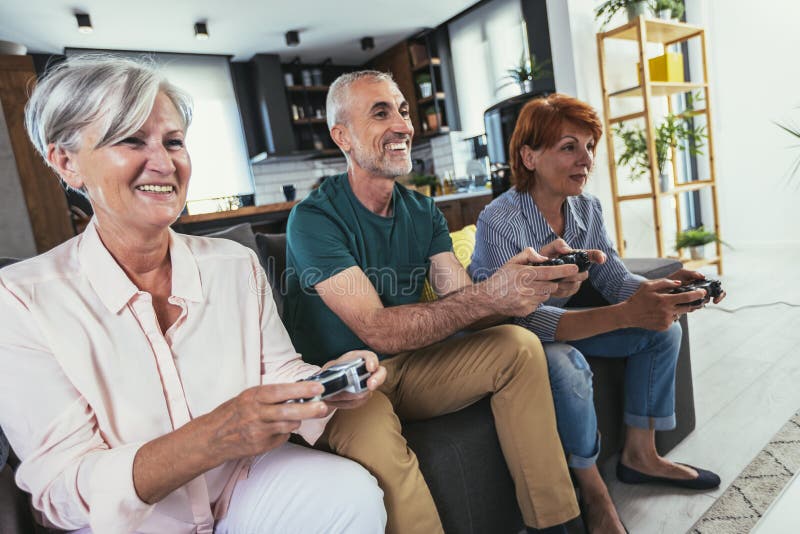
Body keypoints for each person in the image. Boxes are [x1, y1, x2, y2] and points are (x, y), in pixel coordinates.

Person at [0, 55, 388, 534]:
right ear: (66, 161)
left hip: (239, 485)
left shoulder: (234, 263)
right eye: (131, 140)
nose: (163, 162)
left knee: (349, 495)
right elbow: (63, 491)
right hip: (135, 523)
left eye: (174, 141)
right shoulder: (19, 299)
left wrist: (323, 383)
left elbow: (279, 371)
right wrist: (212, 437)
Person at [284, 70, 581, 534]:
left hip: (411, 369)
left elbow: (464, 302)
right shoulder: (313, 219)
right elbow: (377, 329)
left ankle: (555, 525)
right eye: (381, 112)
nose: (403, 125)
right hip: (346, 385)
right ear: (341, 136)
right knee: (378, 439)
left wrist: (529, 283)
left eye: (403, 110)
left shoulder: (422, 212)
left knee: (517, 347)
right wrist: (488, 293)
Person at [469, 93, 724, 533]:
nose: (584, 159)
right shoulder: (499, 220)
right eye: (569, 147)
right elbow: (523, 319)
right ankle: (593, 491)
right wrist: (627, 314)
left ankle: (641, 456)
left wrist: (660, 292)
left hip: (556, 324)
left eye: (589, 146)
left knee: (663, 331)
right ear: (529, 156)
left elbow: (614, 279)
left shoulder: (587, 208)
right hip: (513, 338)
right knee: (567, 365)